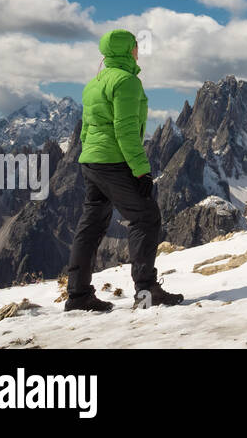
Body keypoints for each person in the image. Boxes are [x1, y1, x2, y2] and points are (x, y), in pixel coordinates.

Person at [65, 28, 183, 311]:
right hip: (113, 161)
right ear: (127, 50)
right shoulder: (127, 82)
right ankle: (147, 291)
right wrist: (141, 170)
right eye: (134, 46)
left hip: (91, 160)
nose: (138, 50)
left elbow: (86, 128)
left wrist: (87, 153)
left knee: (91, 225)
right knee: (145, 217)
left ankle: (78, 296)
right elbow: (126, 129)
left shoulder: (94, 83)